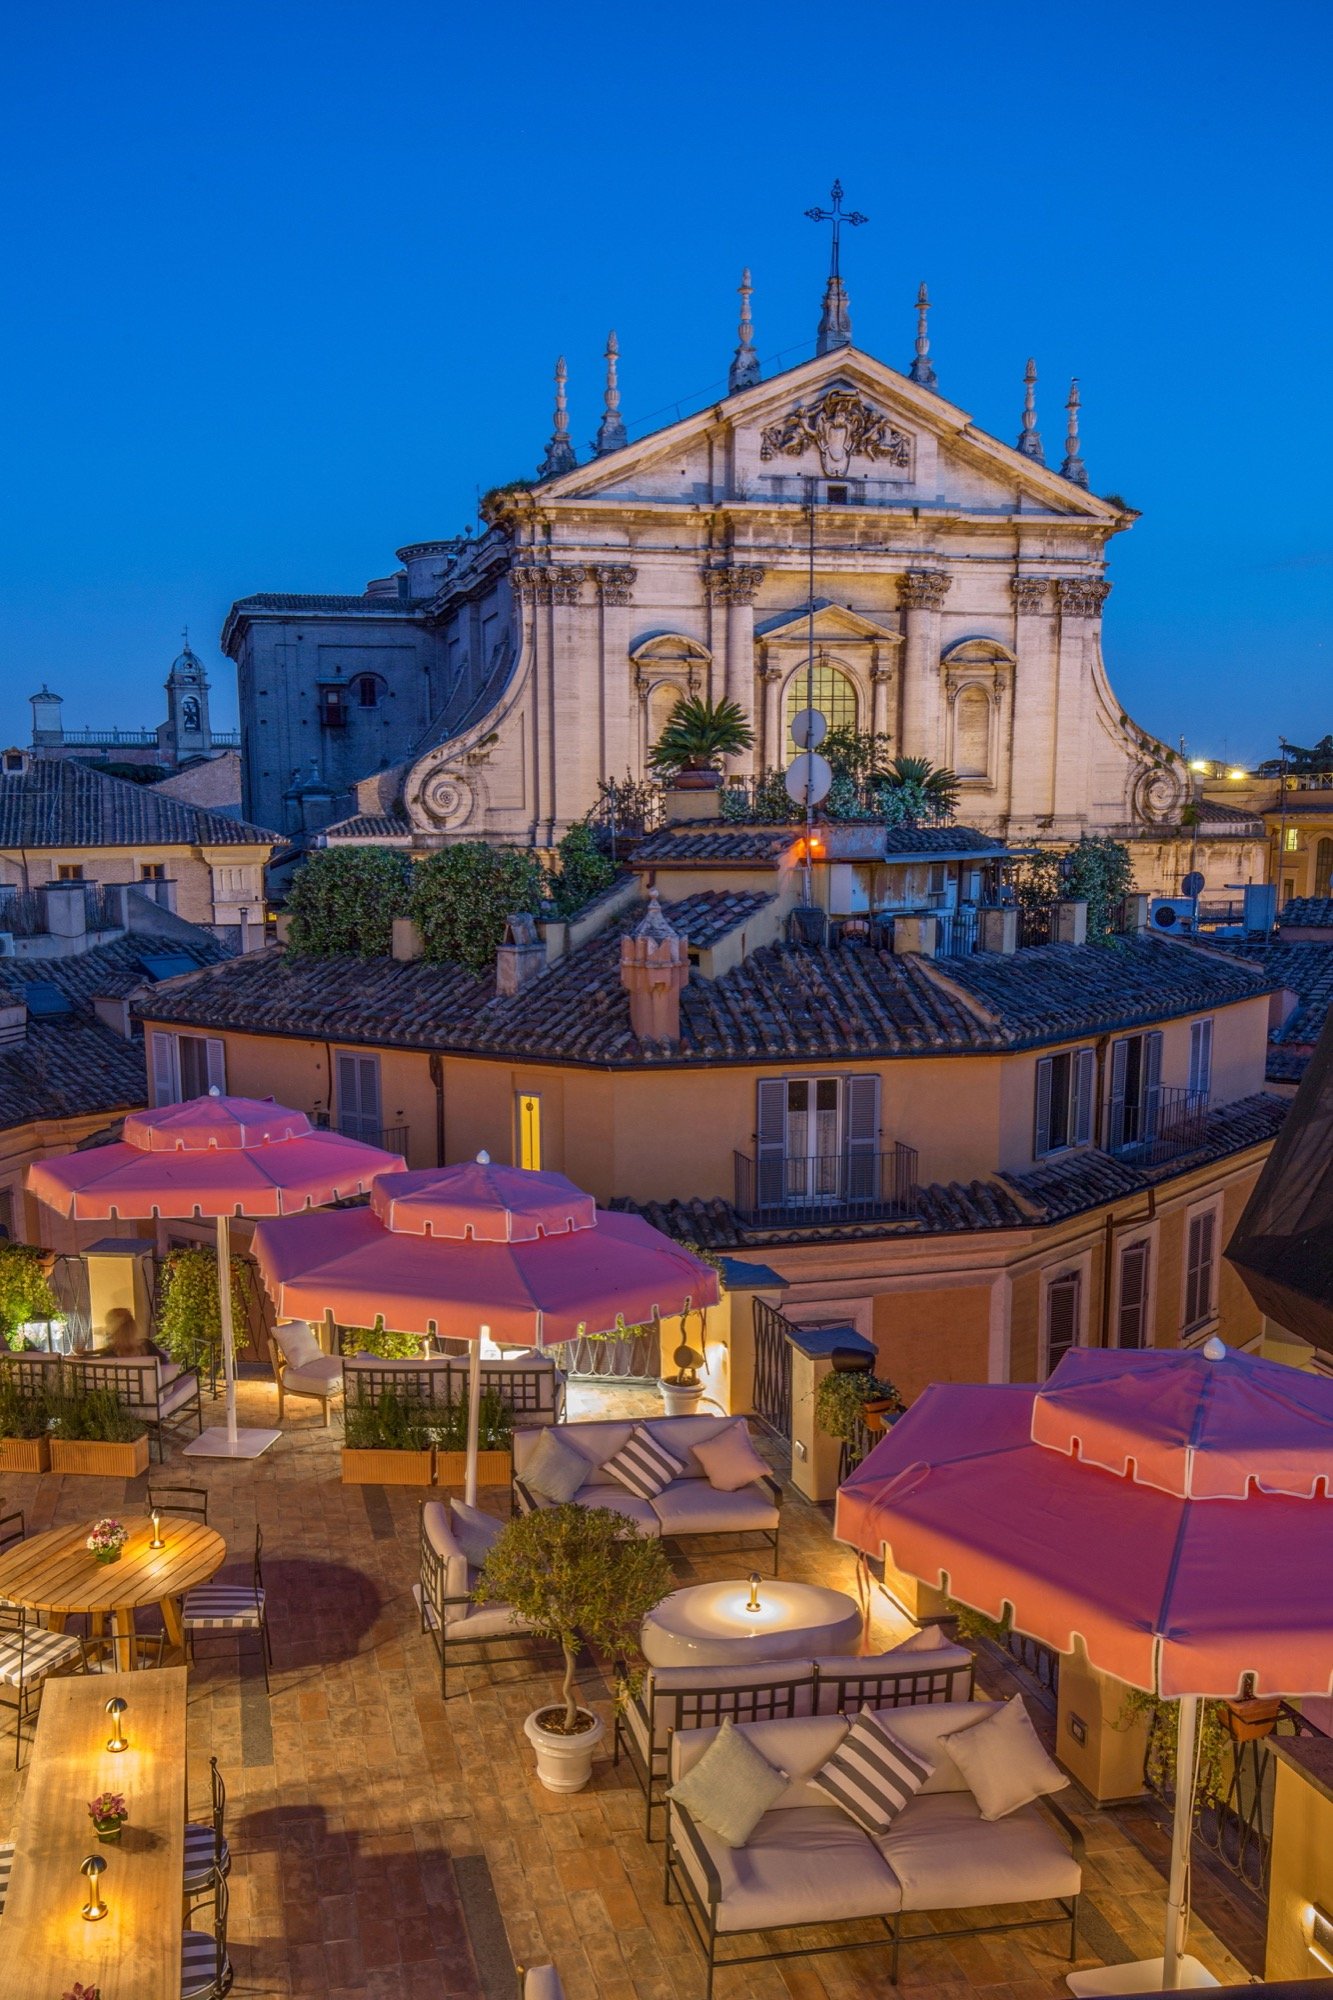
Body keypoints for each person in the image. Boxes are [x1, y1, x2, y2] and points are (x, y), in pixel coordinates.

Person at [101, 1307, 169, 1362]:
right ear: (133, 1327)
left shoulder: (109, 1354)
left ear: (113, 1331)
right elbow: (165, 1365)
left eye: (107, 1324)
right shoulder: (148, 1346)